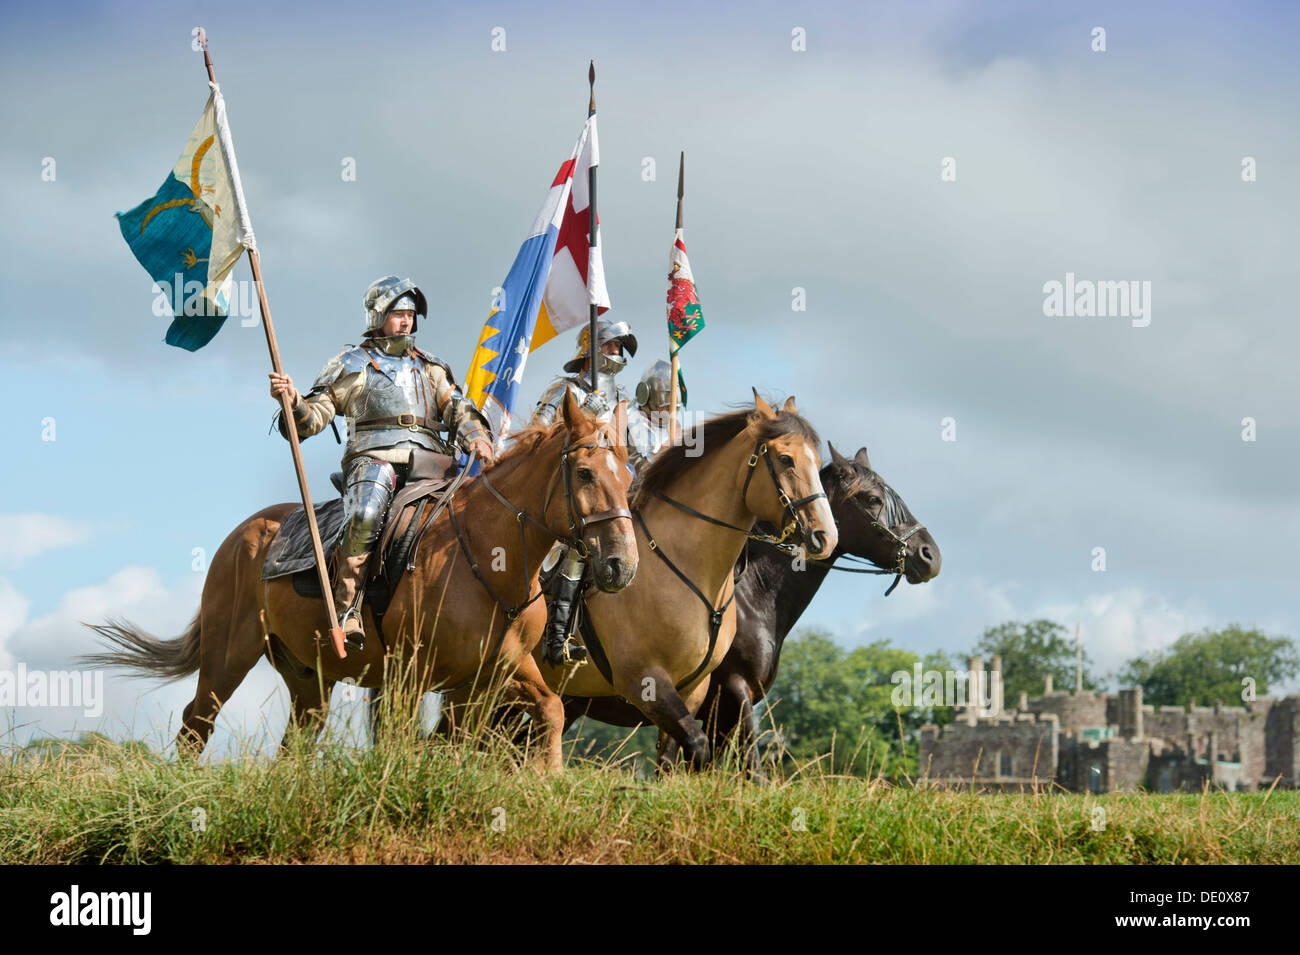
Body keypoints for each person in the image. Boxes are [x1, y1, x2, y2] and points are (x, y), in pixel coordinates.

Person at [269, 275, 495, 651]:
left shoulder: (432, 368)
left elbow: (459, 409)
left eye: (410, 314)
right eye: (398, 314)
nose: (406, 321)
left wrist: (477, 437)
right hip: (375, 460)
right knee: (366, 514)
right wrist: (293, 401)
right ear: (377, 316)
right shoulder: (353, 363)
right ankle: (347, 608)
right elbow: (313, 419)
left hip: (435, 465)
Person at [529, 319, 637, 665]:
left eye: (620, 347)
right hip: (570, 482)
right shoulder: (564, 390)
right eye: (610, 345)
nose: (616, 353)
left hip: (612, 481)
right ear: (589, 351)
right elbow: (538, 434)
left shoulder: (622, 397)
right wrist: (584, 413)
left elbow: (626, 447)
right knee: (575, 547)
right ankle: (557, 637)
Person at [627, 358, 678, 474]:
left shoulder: (674, 428)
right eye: (664, 402)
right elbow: (639, 466)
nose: (669, 410)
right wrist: (665, 455)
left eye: (672, 404)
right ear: (645, 396)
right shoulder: (631, 420)